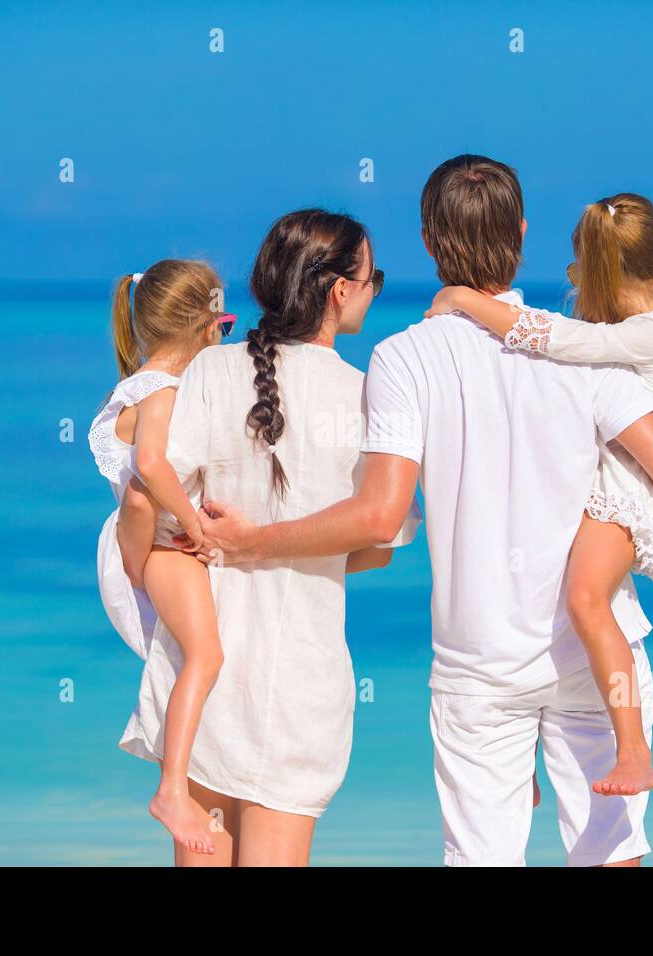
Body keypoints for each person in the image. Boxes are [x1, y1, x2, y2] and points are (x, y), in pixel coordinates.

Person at [195, 156, 653, 867]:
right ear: (521, 235)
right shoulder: (587, 349)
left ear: (430, 243)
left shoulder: (405, 359)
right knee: (611, 857)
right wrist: (632, 551)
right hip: (592, 652)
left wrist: (255, 543)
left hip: (480, 664)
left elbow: (378, 517)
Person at [115, 210, 418, 866]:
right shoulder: (366, 396)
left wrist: (142, 570)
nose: (372, 291)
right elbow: (376, 543)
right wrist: (292, 546)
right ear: (340, 290)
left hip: (210, 670)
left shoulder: (211, 372)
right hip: (301, 683)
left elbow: (147, 492)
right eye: (373, 279)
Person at [424, 191, 653, 796]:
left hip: (624, 496)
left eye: (576, 264)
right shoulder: (630, 330)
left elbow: (550, 338)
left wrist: (461, 300)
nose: (569, 277)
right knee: (548, 607)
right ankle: (524, 758)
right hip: (604, 490)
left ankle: (633, 752)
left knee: (585, 600)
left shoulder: (651, 334)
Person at [88, 259, 231, 854]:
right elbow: (150, 468)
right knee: (207, 653)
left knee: (187, 659)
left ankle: (183, 785)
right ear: (203, 327)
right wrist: (196, 521)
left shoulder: (130, 384)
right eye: (224, 324)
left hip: (138, 539)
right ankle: (173, 789)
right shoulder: (163, 391)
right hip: (163, 544)